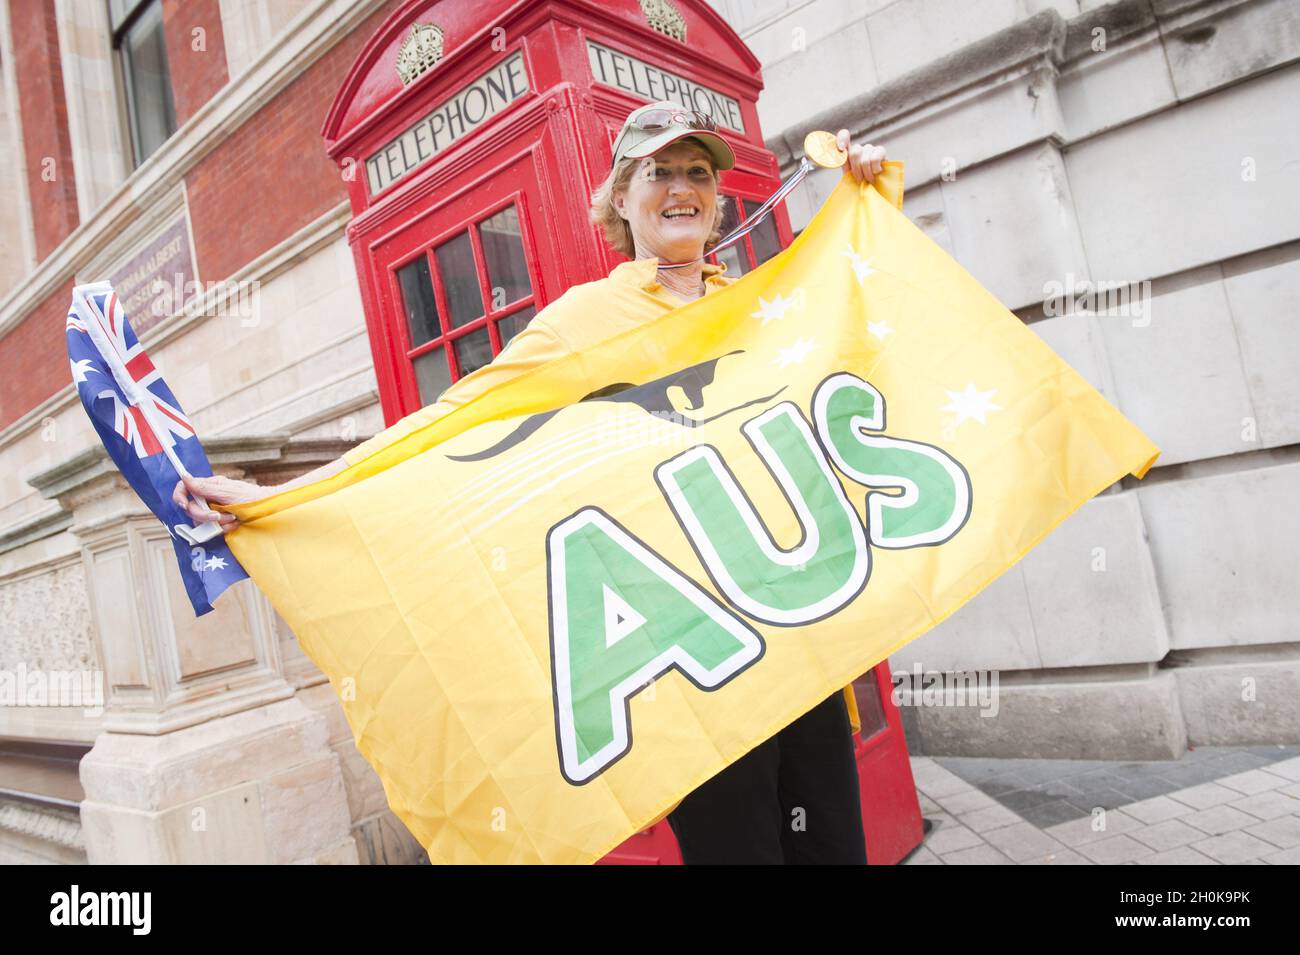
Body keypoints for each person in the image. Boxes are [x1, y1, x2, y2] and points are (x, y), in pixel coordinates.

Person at [174, 101, 888, 864]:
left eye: (698, 173)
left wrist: (869, 198)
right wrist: (292, 497)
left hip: (805, 632)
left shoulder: (754, 300)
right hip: (699, 661)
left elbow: (860, 331)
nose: (681, 188)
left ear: (716, 198)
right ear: (621, 197)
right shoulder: (585, 318)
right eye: (660, 172)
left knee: (835, 849)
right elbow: (458, 414)